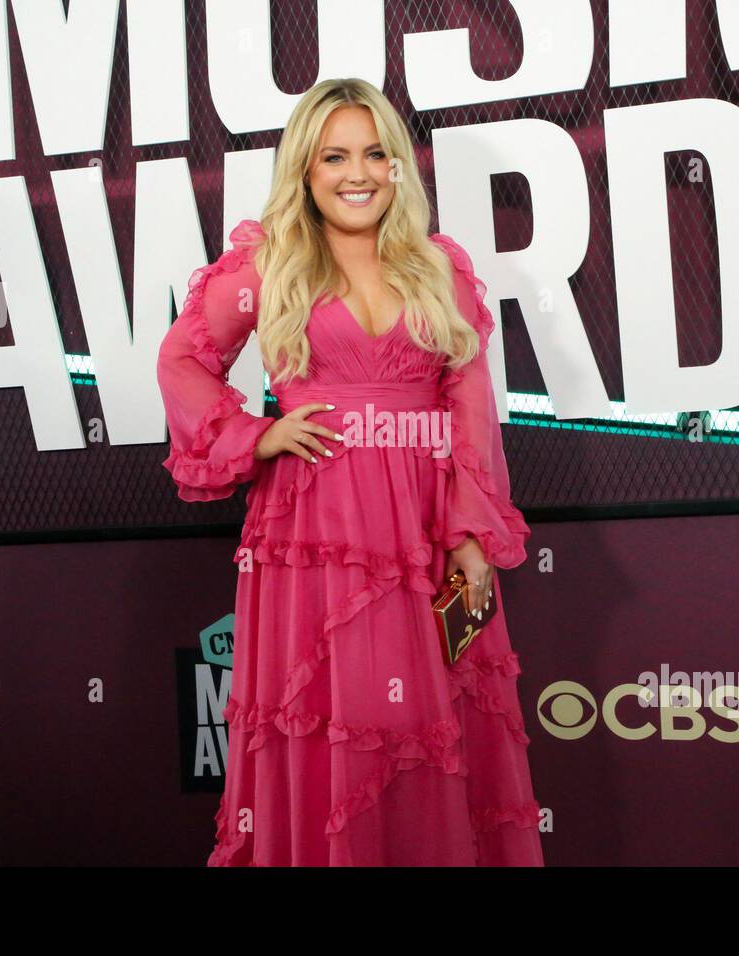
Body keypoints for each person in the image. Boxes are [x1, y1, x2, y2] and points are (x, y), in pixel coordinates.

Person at [156, 77, 543, 866]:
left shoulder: (439, 268)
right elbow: (182, 360)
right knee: (342, 720)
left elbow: (470, 401)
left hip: (426, 523)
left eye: (373, 153)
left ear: (398, 166)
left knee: (428, 726)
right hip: (314, 525)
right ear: (305, 169)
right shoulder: (269, 265)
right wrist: (254, 435)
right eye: (334, 156)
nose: (356, 172)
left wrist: (471, 534)